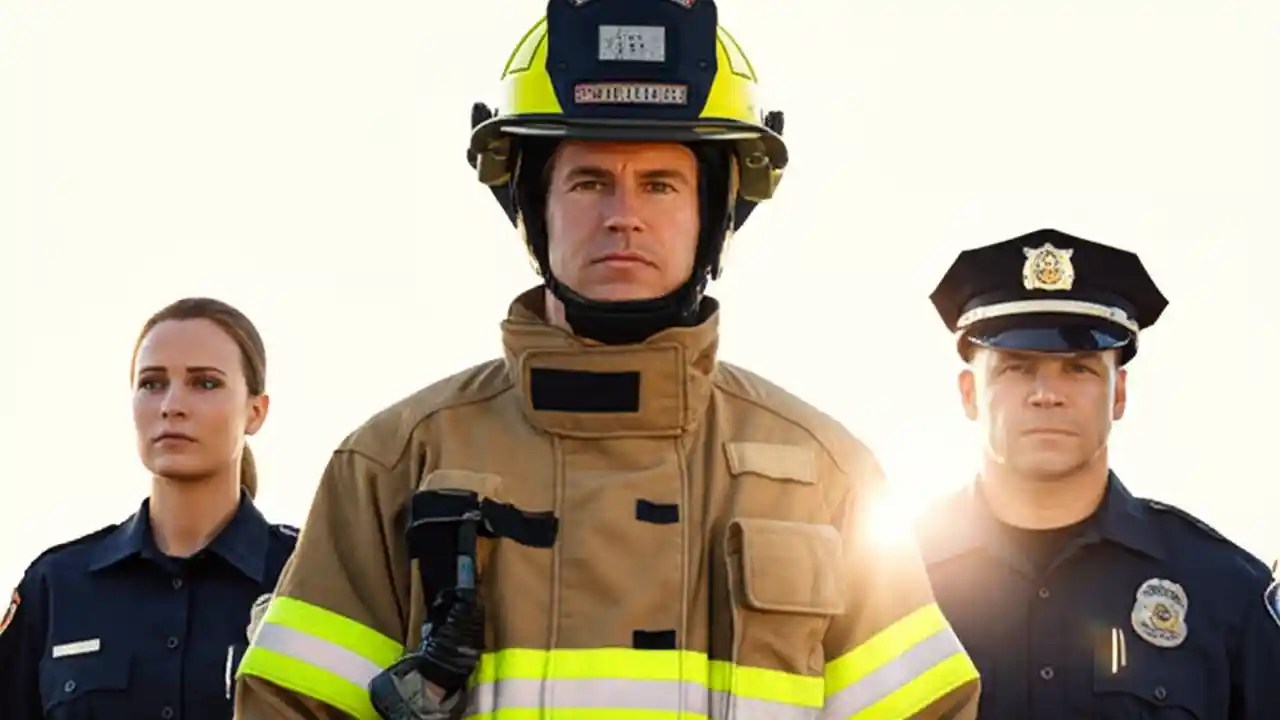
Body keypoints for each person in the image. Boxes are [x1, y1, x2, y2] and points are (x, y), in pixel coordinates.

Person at [233, 0, 981, 718]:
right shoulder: (395, 464)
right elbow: (291, 708)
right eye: (589, 181)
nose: (623, 214)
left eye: (660, 184)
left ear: (714, 214)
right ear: (533, 208)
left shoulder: (827, 477)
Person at [917, 228, 1280, 719]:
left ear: (1119, 394)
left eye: (1079, 368)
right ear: (968, 393)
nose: (1047, 393)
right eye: (1015, 368)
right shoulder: (894, 582)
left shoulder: (1224, 591)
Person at [0, 297, 299, 719]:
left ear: (255, 411)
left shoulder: (307, 580)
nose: (171, 405)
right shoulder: (57, 586)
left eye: (205, 383)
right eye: (152, 383)